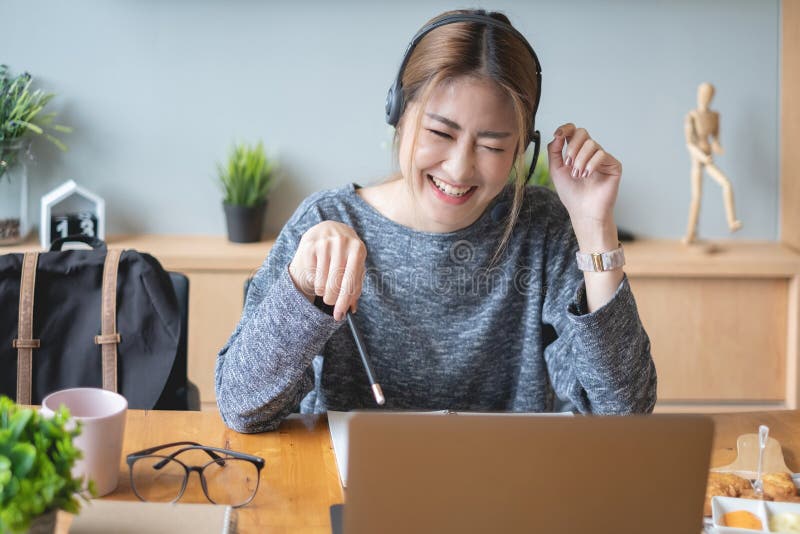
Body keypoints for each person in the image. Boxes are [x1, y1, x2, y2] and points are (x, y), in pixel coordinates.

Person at [215, 9, 656, 433]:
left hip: (502, 482)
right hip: (343, 482)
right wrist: (302, 286)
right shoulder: (325, 221)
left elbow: (623, 418)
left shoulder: (544, 230)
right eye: (440, 133)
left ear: (522, 150)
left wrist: (595, 228)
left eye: (492, 146)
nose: (460, 168)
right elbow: (241, 407)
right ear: (398, 115)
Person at [683, 82, 743, 244]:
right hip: (698, 161)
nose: (705, 97)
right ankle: (690, 234)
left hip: (709, 159)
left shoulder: (715, 116)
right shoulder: (692, 116)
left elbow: (715, 139)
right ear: (698, 94)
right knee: (696, 198)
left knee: (726, 183)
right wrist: (702, 157)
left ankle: (732, 221)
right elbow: (689, 144)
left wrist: (717, 147)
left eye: (709, 94)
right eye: (703, 93)